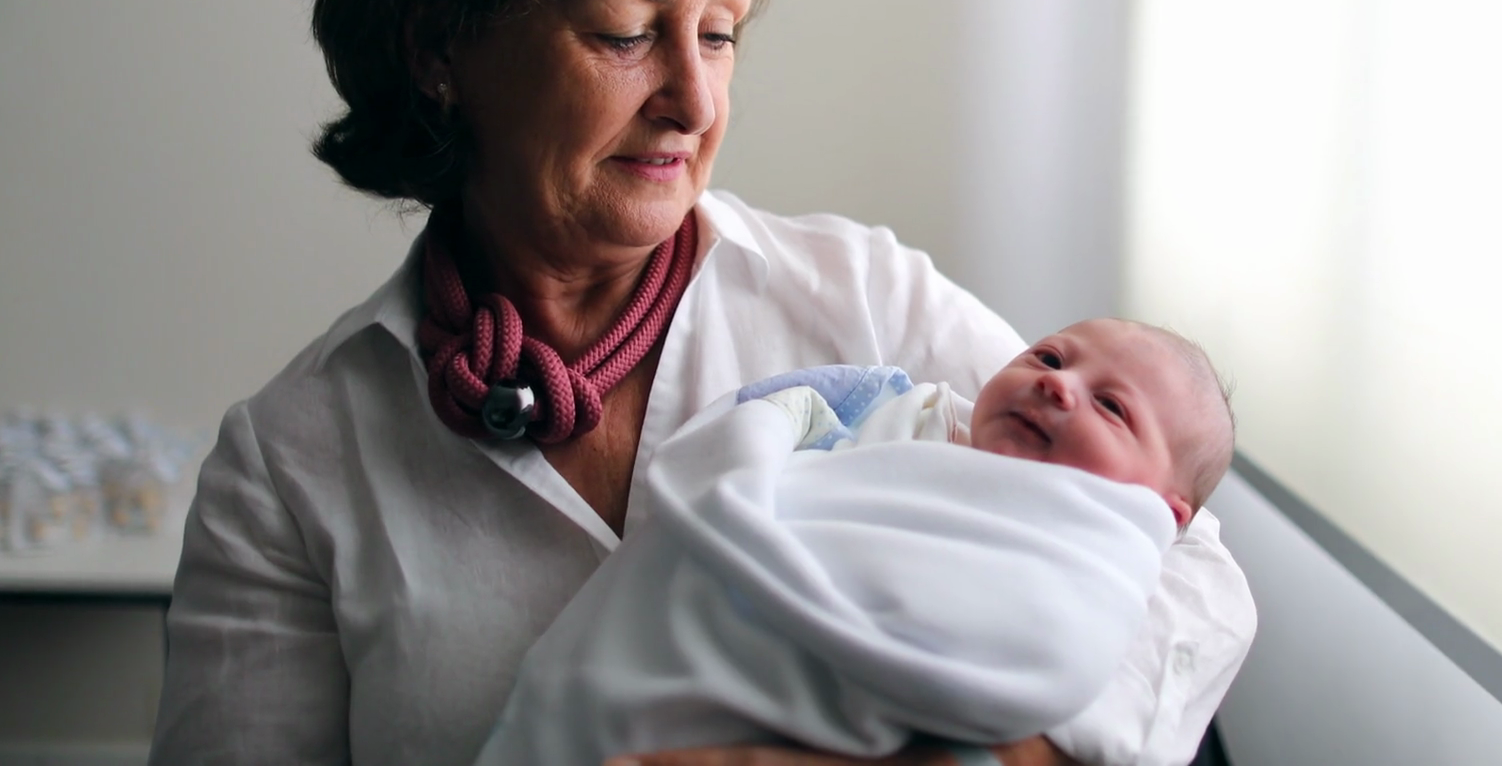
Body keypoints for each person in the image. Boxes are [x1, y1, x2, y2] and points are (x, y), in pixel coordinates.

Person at [149, 0, 1255, 765]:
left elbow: (1189, 568)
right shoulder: (291, 467)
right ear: (440, 43)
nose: (694, 100)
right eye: (626, 32)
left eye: (720, 31)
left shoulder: (867, 301)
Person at [475, 318, 1243, 764]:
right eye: (1047, 356)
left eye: (1111, 406)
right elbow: (764, 426)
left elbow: (1192, 601)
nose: (1056, 382)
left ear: (1161, 511)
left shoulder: (1106, 556)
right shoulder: (892, 414)